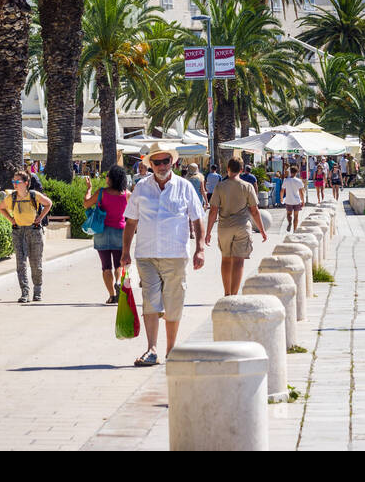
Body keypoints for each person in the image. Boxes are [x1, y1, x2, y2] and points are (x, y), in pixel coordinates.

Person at [122, 143, 205, 365]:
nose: (161, 166)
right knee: (150, 300)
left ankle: (171, 349)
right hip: (146, 254)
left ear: (173, 162)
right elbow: (131, 221)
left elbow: (197, 218)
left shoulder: (184, 187)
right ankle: (151, 350)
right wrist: (125, 252)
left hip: (175, 254)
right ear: (150, 164)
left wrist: (200, 249)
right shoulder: (141, 187)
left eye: (165, 161)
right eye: (156, 162)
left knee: (173, 302)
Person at [206, 157, 268, 295]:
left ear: (228, 168)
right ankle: (234, 295)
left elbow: (213, 211)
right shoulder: (247, 186)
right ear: (241, 170)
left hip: (224, 227)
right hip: (242, 226)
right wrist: (262, 230)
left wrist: (208, 232)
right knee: (239, 261)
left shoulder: (220, 186)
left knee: (226, 259)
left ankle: (227, 293)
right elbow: (254, 211)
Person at [0, 170, 53, 303]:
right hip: (18, 232)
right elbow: (1, 207)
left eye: (18, 181)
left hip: (34, 231)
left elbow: (48, 203)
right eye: (13, 181)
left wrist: (40, 218)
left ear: (26, 183)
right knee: (21, 264)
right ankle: (25, 292)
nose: (15, 184)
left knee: (36, 263)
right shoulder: (12, 197)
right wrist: (11, 220)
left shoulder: (34, 195)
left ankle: (37, 291)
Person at [85, 165, 129, 305]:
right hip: (120, 232)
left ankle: (112, 296)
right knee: (119, 264)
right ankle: (118, 282)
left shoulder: (102, 192)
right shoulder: (127, 194)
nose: (106, 178)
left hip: (102, 231)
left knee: (106, 266)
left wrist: (89, 189)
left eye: (108, 176)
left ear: (112, 178)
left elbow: (86, 204)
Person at [282, 164, 306, 232]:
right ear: (296, 172)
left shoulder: (286, 180)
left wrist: (281, 198)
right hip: (297, 201)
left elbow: (282, 190)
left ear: (290, 172)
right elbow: (301, 192)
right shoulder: (299, 181)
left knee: (289, 214)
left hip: (288, 200)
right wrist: (303, 201)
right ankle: (294, 230)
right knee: (296, 216)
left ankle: (289, 222)